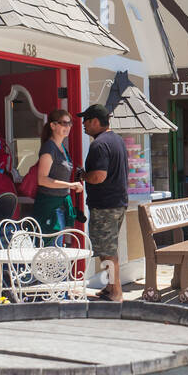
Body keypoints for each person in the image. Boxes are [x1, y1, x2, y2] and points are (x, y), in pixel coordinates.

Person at [81, 103, 128, 302]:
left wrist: (83, 176)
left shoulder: (99, 144)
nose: (83, 124)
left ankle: (116, 292)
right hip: (117, 203)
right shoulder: (117, 140)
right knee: (107, 248)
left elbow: (99, 176)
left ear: (95, 121)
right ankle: (110, 288)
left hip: (105, 206)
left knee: (107, 251)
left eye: (86, 120)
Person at [33, 111, 83, 235]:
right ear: (53, 126)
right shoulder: (49, 147)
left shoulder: (61, 148)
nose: (68, 127)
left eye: (70, 123)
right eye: (64, 123)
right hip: (49, 208)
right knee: (51, 250)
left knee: (58, 249)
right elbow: (42, 179)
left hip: (60, 206)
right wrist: (70, 185)